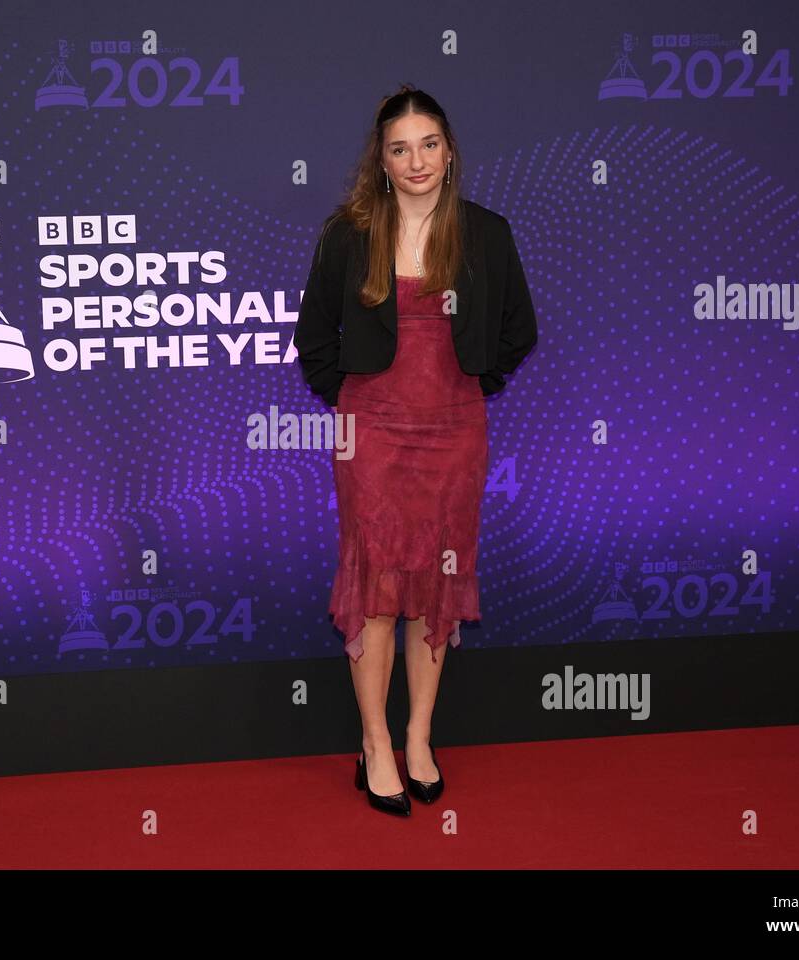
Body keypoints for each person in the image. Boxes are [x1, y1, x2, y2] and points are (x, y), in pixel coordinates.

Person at [293, 84, 538, 816]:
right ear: (383, 160)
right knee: (375, 590)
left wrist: (472, 385)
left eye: (429, 143)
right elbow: (313, 341)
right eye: (400, 148)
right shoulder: (348, 233)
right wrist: (357, 397)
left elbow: (518, 330)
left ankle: (420, 738)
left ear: (450, 149)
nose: (417, 160)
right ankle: (375, 745)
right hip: (370, 433)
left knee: (434, 587)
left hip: (455, 431)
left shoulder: (486, 233)